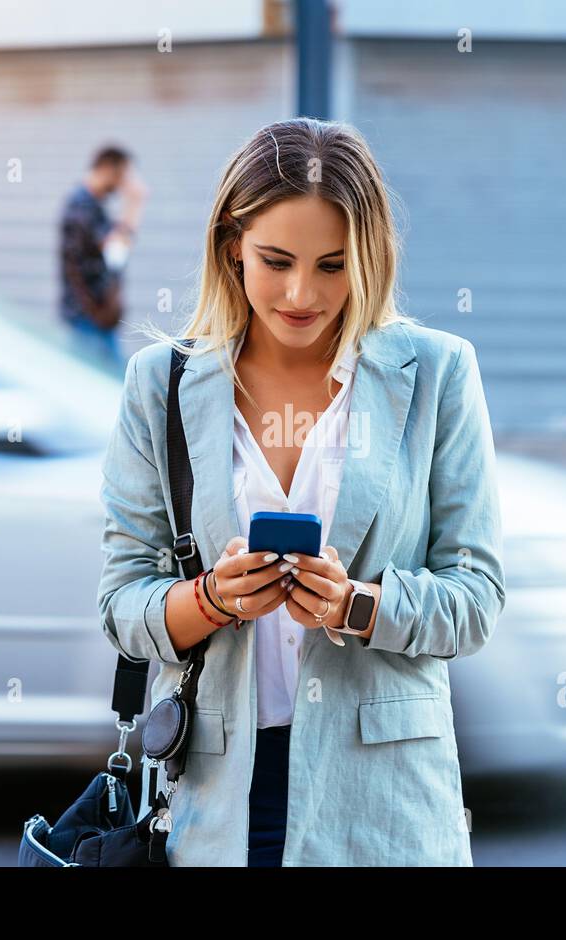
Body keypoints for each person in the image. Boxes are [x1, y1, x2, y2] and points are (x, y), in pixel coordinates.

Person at [96, 118, 506, 866]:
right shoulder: (160, 385)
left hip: (384, 803)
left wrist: (359, 605)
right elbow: (123, 603)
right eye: (276, 260)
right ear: (232, 246)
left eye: (332, 264)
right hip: (218, 798)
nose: (300, 292)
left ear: (369, 258)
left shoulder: (439, 374)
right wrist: (214, 600)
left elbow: (476, 599)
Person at [59, 145, 146, 372]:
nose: (123, 184)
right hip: (88, 318)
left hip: (95, 318)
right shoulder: (81, 206)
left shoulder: (92, 206)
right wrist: (134, 204)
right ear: (108, 169)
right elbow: (117, 248)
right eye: (123, 175)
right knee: (107, 384)